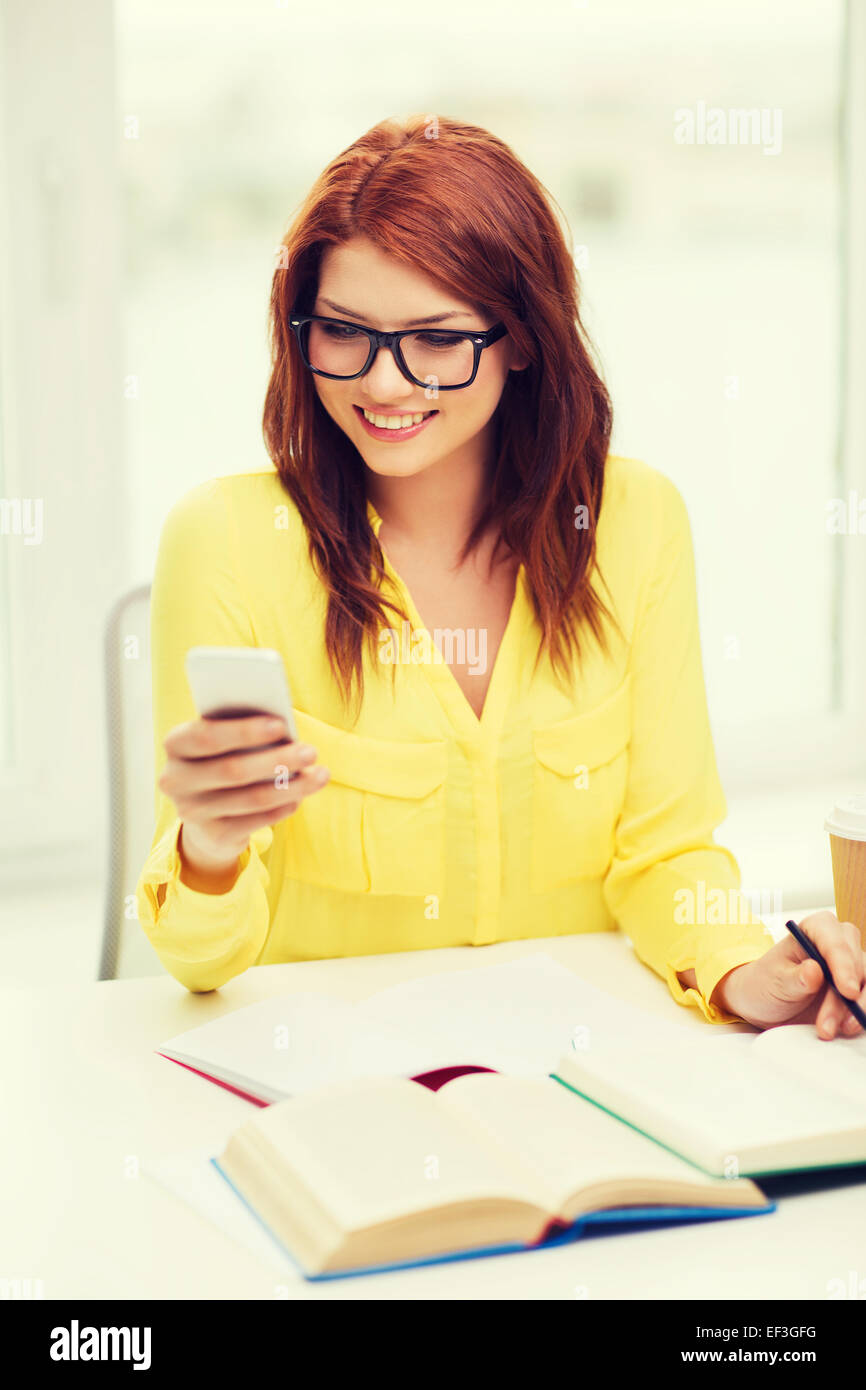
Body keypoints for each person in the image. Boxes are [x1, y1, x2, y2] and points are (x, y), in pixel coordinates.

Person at [135, 114, 865, 1038]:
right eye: (345, 332)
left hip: (578, 1082)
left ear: (521, 339)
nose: (386, 384)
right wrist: (209, 846)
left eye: (437, 340)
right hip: (325, 1095)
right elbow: (199, 963)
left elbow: (666, 853)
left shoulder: (633, 524)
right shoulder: (227, 540)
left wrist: (739, 972)